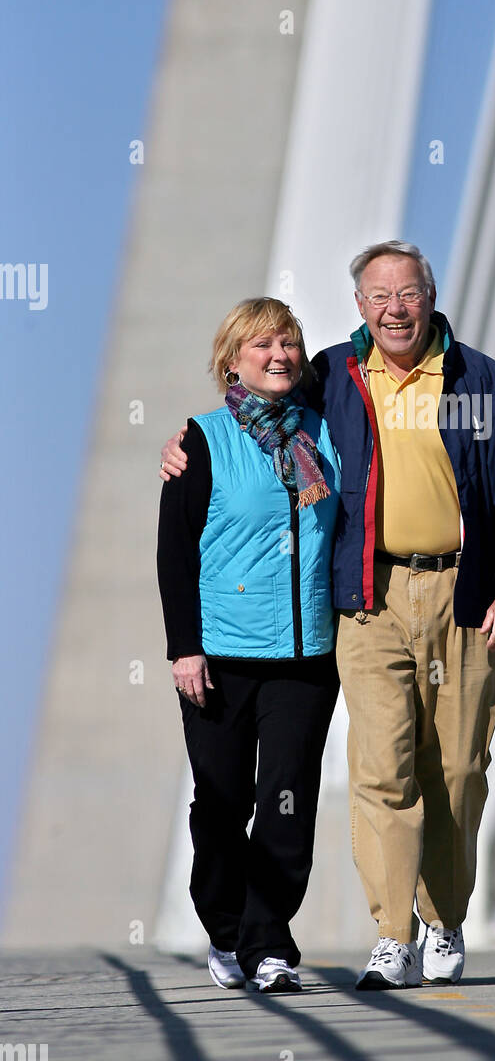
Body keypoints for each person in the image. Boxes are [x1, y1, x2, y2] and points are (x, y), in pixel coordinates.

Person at [161, 243, 495, 989]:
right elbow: (250, 417)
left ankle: (443, 917)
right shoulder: (336, 380)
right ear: (359, 307)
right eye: (379, 297)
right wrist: (186, 449)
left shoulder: (475, 379)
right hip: (367, 600)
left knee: (457, 769)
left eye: (407, 294)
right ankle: (389, 934)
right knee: (380, 770)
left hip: (464, 595)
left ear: (431, 296)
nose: (395, 309)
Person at [157, 297, 340, 993]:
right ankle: (226, 928)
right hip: (220, 655)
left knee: (288, 799)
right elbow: (174, 554)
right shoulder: (201, 440)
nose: (278, 357)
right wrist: (184, 649)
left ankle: (270, 946)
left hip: (304, 656)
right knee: (222, 801)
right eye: (261, 346)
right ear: (231, 359)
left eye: (289, 344)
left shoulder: (327, 433)